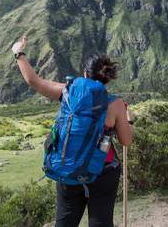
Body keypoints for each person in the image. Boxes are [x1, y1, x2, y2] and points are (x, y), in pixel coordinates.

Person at [12, 35, 133, 227]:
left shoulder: (67, 92)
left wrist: (18, 51)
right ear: (108, 78)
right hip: (103, 171)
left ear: (85, 74)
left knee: (65, 222)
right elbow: (126, 140)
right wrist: (126, 120)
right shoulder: (115, 104)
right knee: (100, 222)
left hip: (68, 168)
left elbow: (33, 81)